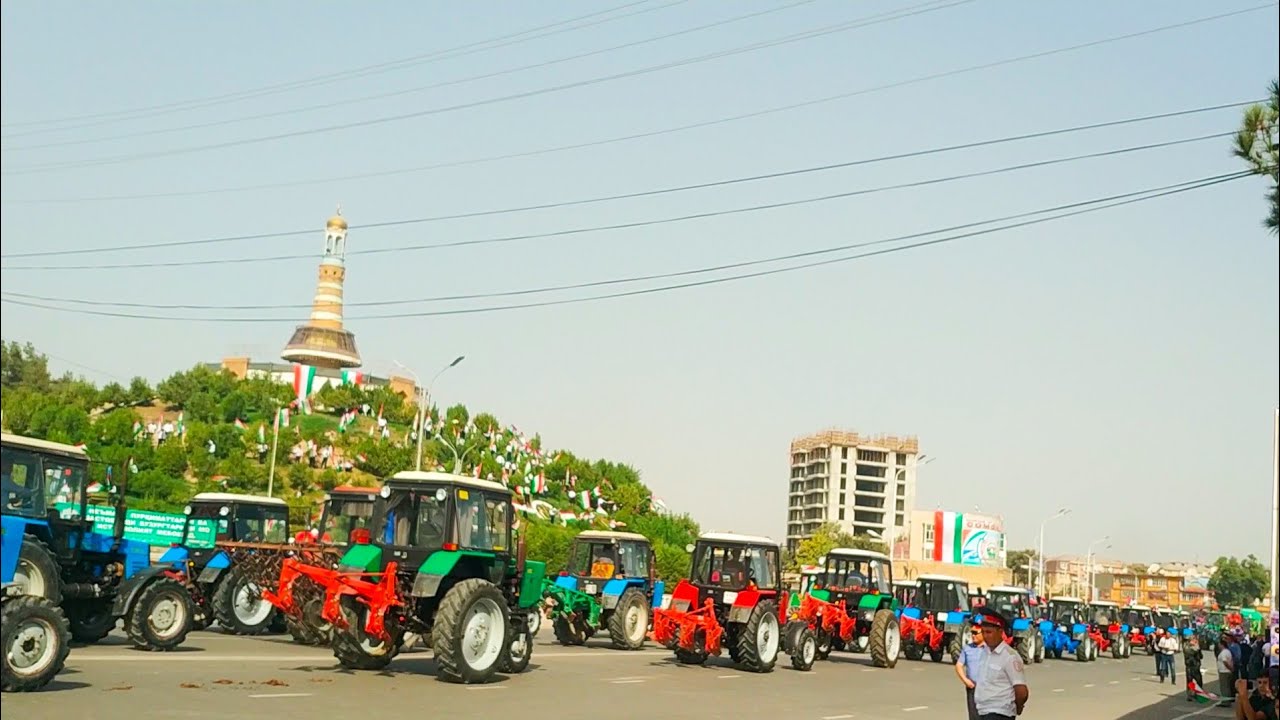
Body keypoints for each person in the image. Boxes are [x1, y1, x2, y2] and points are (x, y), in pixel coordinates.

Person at [972, 608, 1029, 719]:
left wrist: (1018, 707)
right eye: (983, 632)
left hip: (1000, 713)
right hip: (982, 711)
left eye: (989, 632)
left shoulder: (1009, 656)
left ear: (1000, 632)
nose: (985, 636)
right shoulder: (984, 652)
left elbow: (1021, 691)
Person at [955, 624, 986, 720]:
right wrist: (965, 680)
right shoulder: (967, 648)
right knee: (974, 716)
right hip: (972, 688)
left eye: (975, 633)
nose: (973, 635)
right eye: (971, 633)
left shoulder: (990, 649)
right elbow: (959, 665)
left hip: (987, 689)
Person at [1185, 635, 1206, 701]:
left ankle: (1198, 694)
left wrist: (1198, 650)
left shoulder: (1197, 648)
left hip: (1196, 666)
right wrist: (1196, 650)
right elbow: (1189, 653)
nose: (1195, 642)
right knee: (1190, 682)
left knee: (1199, 681)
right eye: (1194, 640)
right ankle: (1190, 695)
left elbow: (1201, 657)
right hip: (1190, 667)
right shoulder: (1187, 647)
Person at [1221, 636, 1240, 706]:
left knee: (1232, 682)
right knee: (1230, 683)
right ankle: (1231, 696)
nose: (1226, 640)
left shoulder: (1235, 646)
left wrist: (1233, 664)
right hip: (1231, 666)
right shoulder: (1229, 646)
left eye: (1227, 638)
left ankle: (1231, 696)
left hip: (1233, 666)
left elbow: (1237, 656)